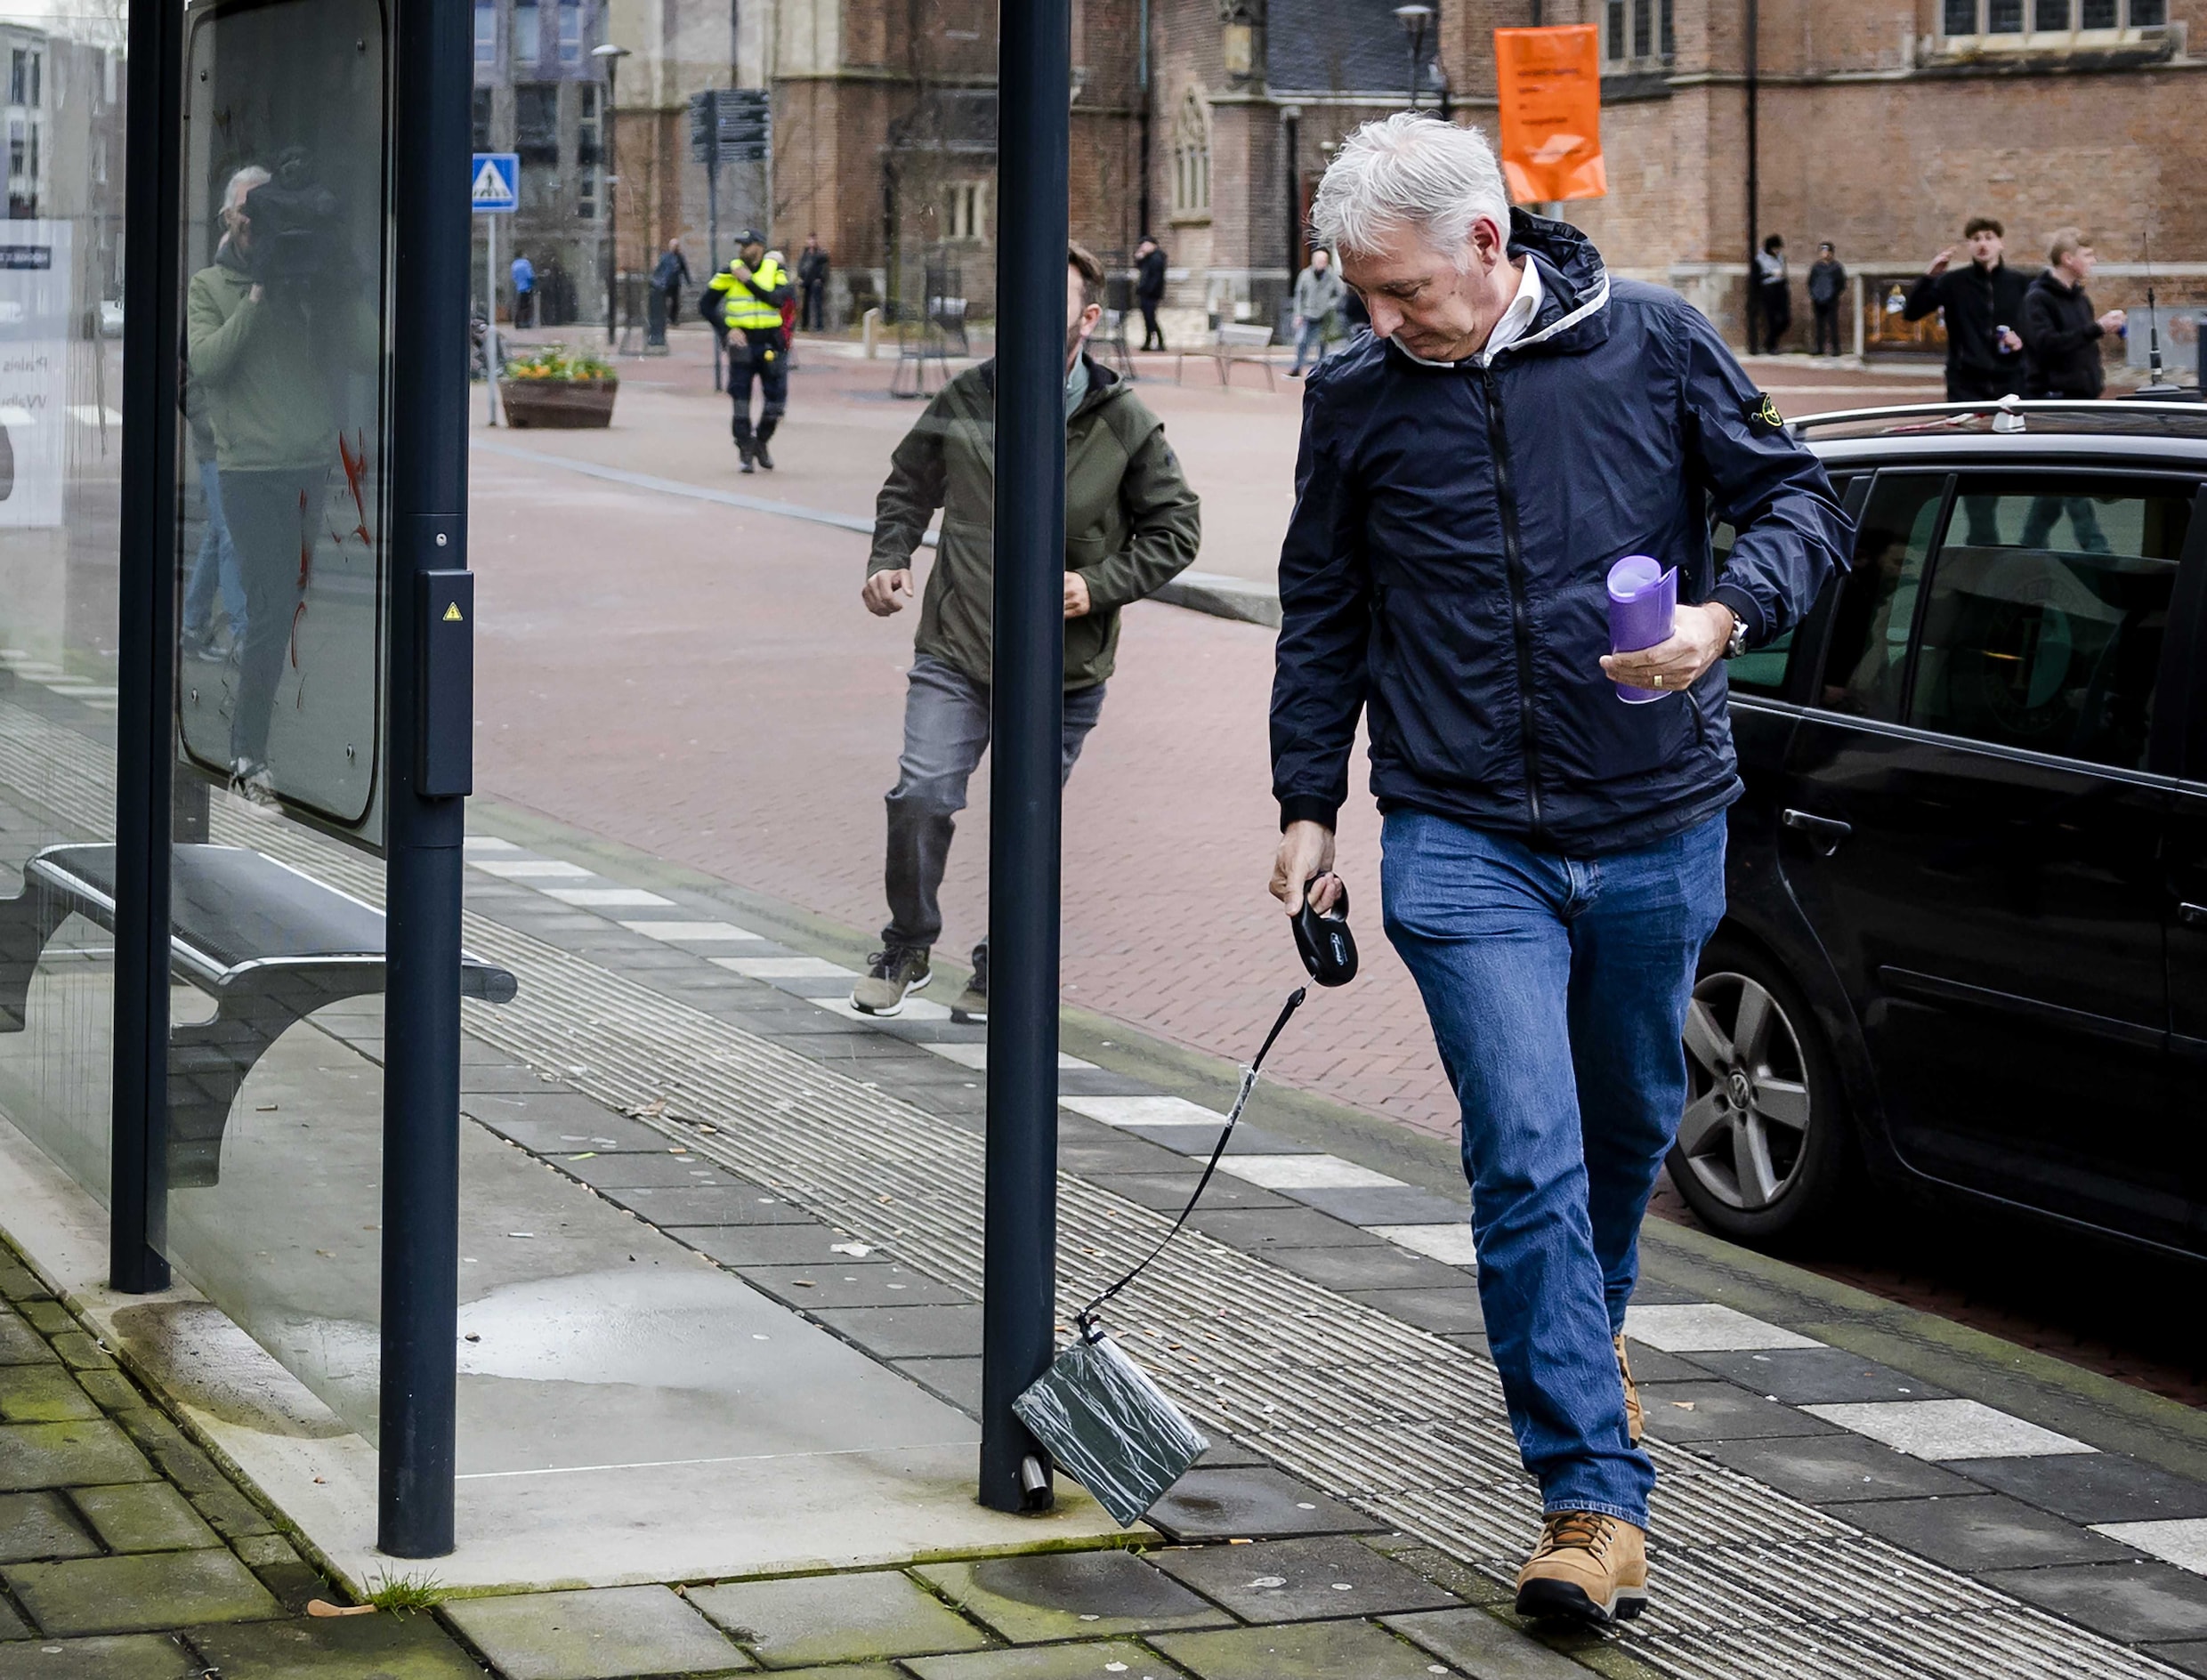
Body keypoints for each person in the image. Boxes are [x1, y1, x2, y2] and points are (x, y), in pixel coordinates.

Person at [1268, 114, 1848, 1628]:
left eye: (1399, 291)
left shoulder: (1653, 344)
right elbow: (1322, 600)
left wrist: (1726, 619)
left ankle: (1583, 1348)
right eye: (1362, 297)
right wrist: (1308, 801)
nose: (1379, 322)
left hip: (1659, 816)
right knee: (1520, 1148)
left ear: (1485, 241)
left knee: (1622, 1129)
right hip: (1462, 834)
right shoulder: (1358, 397)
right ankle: (1592, 1500)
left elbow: (1801, 504)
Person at [852, 243, 1202, 1022]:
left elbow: (1177, 529)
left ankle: (1001, 963)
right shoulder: (967, 396)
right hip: (959, 648)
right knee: (921, 795)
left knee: (1026, 821)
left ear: (1087, 317)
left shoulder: (1124, 420)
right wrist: (890, 558)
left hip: (1063, 671)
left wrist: (1095, 585)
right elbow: (908, 487)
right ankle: (908, 940)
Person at [186, 155, 378, 805]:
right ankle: (248, 750)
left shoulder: (310, 281)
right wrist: (260, 294)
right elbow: (208, 364)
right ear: (229, 218)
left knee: (286, 604)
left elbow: (364, 351)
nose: (254, 227)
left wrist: (343, 280)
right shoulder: (210, 286)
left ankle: (262, 736)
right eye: (247, 214)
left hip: (307, 462)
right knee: (270, 608)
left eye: (265, 213)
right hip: (248, 471)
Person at [1903, 215, 2030, 400]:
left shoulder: (2019, 283)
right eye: (1976, 239)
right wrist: (1929, 277)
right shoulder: (1953, 282)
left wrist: (2021, 339)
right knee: (1964, 429)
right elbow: (1912, 313)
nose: (1982, 244)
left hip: (2010, 378)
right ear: (1969, 245)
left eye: (1989, 237)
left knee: (2012, 428)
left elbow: (2035, 324)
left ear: (2000, 243)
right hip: (1965, 380)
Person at [702, 230, 792, 472]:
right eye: (740, 245)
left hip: (771, 342)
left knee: (775, 400)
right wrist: (726, 330)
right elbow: (706, 305)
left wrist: (748, 281)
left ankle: (761, 442)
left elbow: (778, 300)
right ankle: (744, 447)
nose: (743, 249)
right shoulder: (729, 271)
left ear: (760, 247)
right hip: (742, 343)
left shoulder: (775, 270)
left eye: (748, 244)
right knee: (740, 399)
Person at [2024, 227, 2124, 400]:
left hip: (2085, 396)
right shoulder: (2038, 298)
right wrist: (2098, 328)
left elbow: (2083, 343)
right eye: (2087, 255)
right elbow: (2046, 345)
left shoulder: (2081, 299)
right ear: (2068, 259)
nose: (2093, 261)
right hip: (2054, 398)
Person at [1289, 246, 1345, 377]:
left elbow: (1340, 293)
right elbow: (1299, 295)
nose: (1320, 263)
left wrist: (1330, 305)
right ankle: (1297, 367)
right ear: (1313, 260)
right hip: (1307, 315)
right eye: (1318, 260)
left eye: (1323, 260)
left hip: (1324, 316)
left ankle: (1321, 370)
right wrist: (1298, 314)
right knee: (1301, 341)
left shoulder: (1332, 276)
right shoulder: (1305, 275)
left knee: (1323, 343)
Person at [1807, 241, 1847, 359]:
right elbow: (1810, 282)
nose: (1825, 254)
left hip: (1832, 300)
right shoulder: (1816, 267)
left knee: (1832, 323)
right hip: (1818, 299)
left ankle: (1836, 348)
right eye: (1823, 251)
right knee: (1819, 324)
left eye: (1827, 251)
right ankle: (1819, 347)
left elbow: (1841, 283)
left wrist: (1834, 294)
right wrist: (1814, 294)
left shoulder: (1836, 267)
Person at [1750, 233, 1790, 354]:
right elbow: (1756, 278)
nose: (1777, 251)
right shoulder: (1759, 259)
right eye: (1775, 248)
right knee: (1771, 319)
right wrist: (1771, 274)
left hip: (1781, 288)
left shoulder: (1781, 257)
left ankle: (1770, 341)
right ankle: (1771, 345)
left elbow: (1784, 271)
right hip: (1768, 289)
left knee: (1786, 319)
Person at [1135, 237, 1168, 351]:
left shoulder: (1156, 258)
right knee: (1148, 318)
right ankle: (1148, 341)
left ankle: (1160, 341)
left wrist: (1147, 290)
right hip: (1147, 292)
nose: (1143, 248)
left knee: (1150, 318)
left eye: (1145, 245)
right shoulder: (1149, 258)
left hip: (1151, 293)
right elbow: (1141, 268)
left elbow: (1155, 278)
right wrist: (1139, 258)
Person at [651, 238, 691, 328]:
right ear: (670, 246)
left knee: (675, 302)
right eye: (674, 246)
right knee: (663, 301)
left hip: (675, 283)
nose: (675, 248)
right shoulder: (665, 257)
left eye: (677, 246)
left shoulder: (680, 257)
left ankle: (673, 319)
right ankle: (664, 318)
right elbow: (659, 268)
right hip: (665, 283)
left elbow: (684, 269)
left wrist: (688, 281)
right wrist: (656, 278)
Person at [797, 234, 831, 333]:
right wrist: (800, 276)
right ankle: (804, 325)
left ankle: (819, 326)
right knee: (805, 304)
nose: (812, 242)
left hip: (815, 282)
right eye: (810, 240)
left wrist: (820, 279)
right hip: (805, 281)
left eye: (813, 240)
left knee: (817, 304)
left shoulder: (820, 254)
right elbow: (800, 266)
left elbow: (825, 267)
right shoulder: (805, 254)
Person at [510, 250, 535, 329]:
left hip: (519, 287)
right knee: (527, 306)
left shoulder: (514, 264)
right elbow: (530, 275)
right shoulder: (525, 263)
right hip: (527, 287)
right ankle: (526, 322)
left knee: (519, 306)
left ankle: (518, 322)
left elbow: (514, 277)